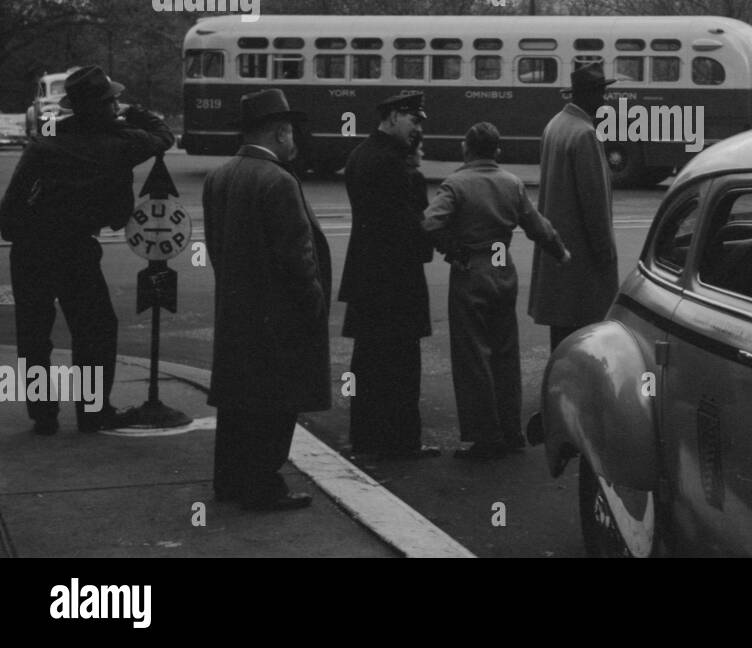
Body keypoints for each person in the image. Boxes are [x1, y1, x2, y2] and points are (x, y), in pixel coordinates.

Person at [0, 66, 173, 435]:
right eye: (112, 101)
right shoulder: (120, 144)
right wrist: (137, 112)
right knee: (94, 329)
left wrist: (17, 231)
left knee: (34, 335)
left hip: (31, 246)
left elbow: (13, 200)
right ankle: (92, 412)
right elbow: (162, 136)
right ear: (106, 105)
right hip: (76, 247)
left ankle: (44, 416)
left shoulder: (47, 140)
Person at [202, 89, 331, 511]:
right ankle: (263, 486)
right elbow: (297, 256)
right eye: (291, 132)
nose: (294, 140)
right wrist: (314, 305)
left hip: (237, 310)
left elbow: (218, 248)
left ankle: (230, 480)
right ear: (279, 132)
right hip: (279, 316)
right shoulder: (278, 180)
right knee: (275, 405)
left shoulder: (219, 176)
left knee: (238, 402)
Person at [423, 122, 570, 460]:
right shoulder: (512, 184)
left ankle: (484, 435)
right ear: (498, 151)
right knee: (505, 351)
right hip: (503, 268)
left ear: (466, 148)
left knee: (473, 355)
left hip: (470, 269)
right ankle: (511, 430)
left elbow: (430, 223)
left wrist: (451, 247)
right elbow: (539, 227)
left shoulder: (456, 184)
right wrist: (560, 252)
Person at [338, 92, 440, 460]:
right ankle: (401, 441)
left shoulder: (360, 155)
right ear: (394, 116)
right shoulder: (396, 164)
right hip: (396, 279)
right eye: (414, 120)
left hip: (366, 276)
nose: (418, 129)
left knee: (368, 361)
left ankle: (366, 438)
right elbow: (413, 224)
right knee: (401, 364)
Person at [528, 62, 619, 350]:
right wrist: (606, 255)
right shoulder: (584, 134)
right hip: (583, 263)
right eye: (601, 93)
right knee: (585, 339)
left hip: (558, 254)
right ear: (588, 94)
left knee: (561, 335)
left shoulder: (555, 125)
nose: (604, 101)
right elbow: (595, 206)